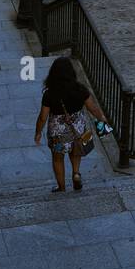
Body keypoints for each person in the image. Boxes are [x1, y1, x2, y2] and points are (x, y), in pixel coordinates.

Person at [35, 56, 107, 192]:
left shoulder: (49, 94)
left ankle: (61, 187)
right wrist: (102, 118)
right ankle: (75, 173)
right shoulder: (80, 89)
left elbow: (43, 117)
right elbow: (93, 108)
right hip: (78, 129)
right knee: (76, 152)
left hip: (58, 134)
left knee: (57, 158)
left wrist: (38, 132)